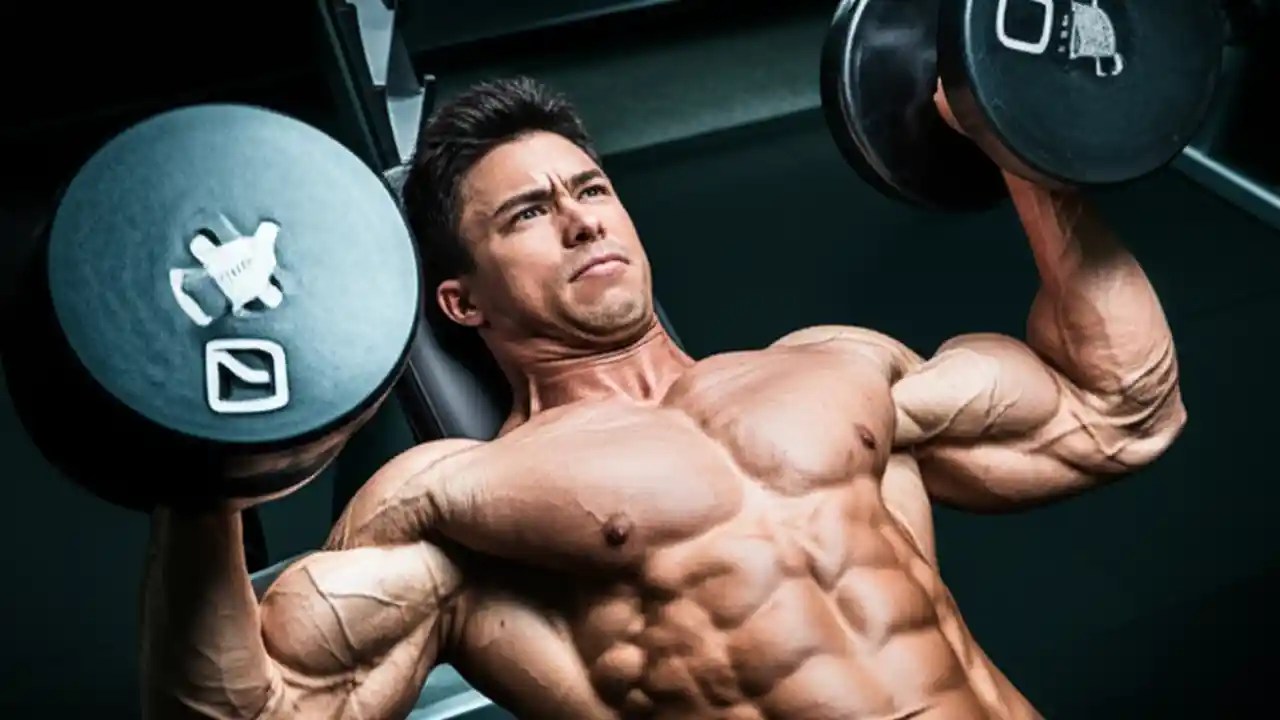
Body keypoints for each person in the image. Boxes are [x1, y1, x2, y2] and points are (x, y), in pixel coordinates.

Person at [139, 76, 1186, 719]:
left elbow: (1119, 410)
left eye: (591, 189)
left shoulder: (833, 366)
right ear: (459, 299)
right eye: (527, 214)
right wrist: (205, 463)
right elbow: (254, 713)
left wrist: (1025, 147)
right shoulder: (456, 499)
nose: (582, 220)